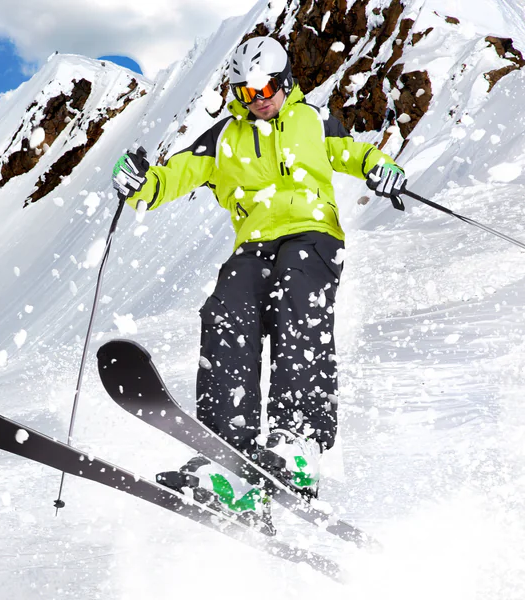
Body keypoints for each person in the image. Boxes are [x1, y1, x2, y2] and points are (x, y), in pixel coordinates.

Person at [109, 37, 408, 518]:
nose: (259, 98)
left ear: (284, 80)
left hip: (312, 236)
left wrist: (382, 168)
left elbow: (353, 152)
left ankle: (297, 441)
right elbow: (172, 177)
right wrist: (140, 182)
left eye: (265, 88)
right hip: (253, 244)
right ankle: (228, 456)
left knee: (297, 297)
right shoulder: (224, 138)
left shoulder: (310, 120)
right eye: (246, 93)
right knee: (226, 308)